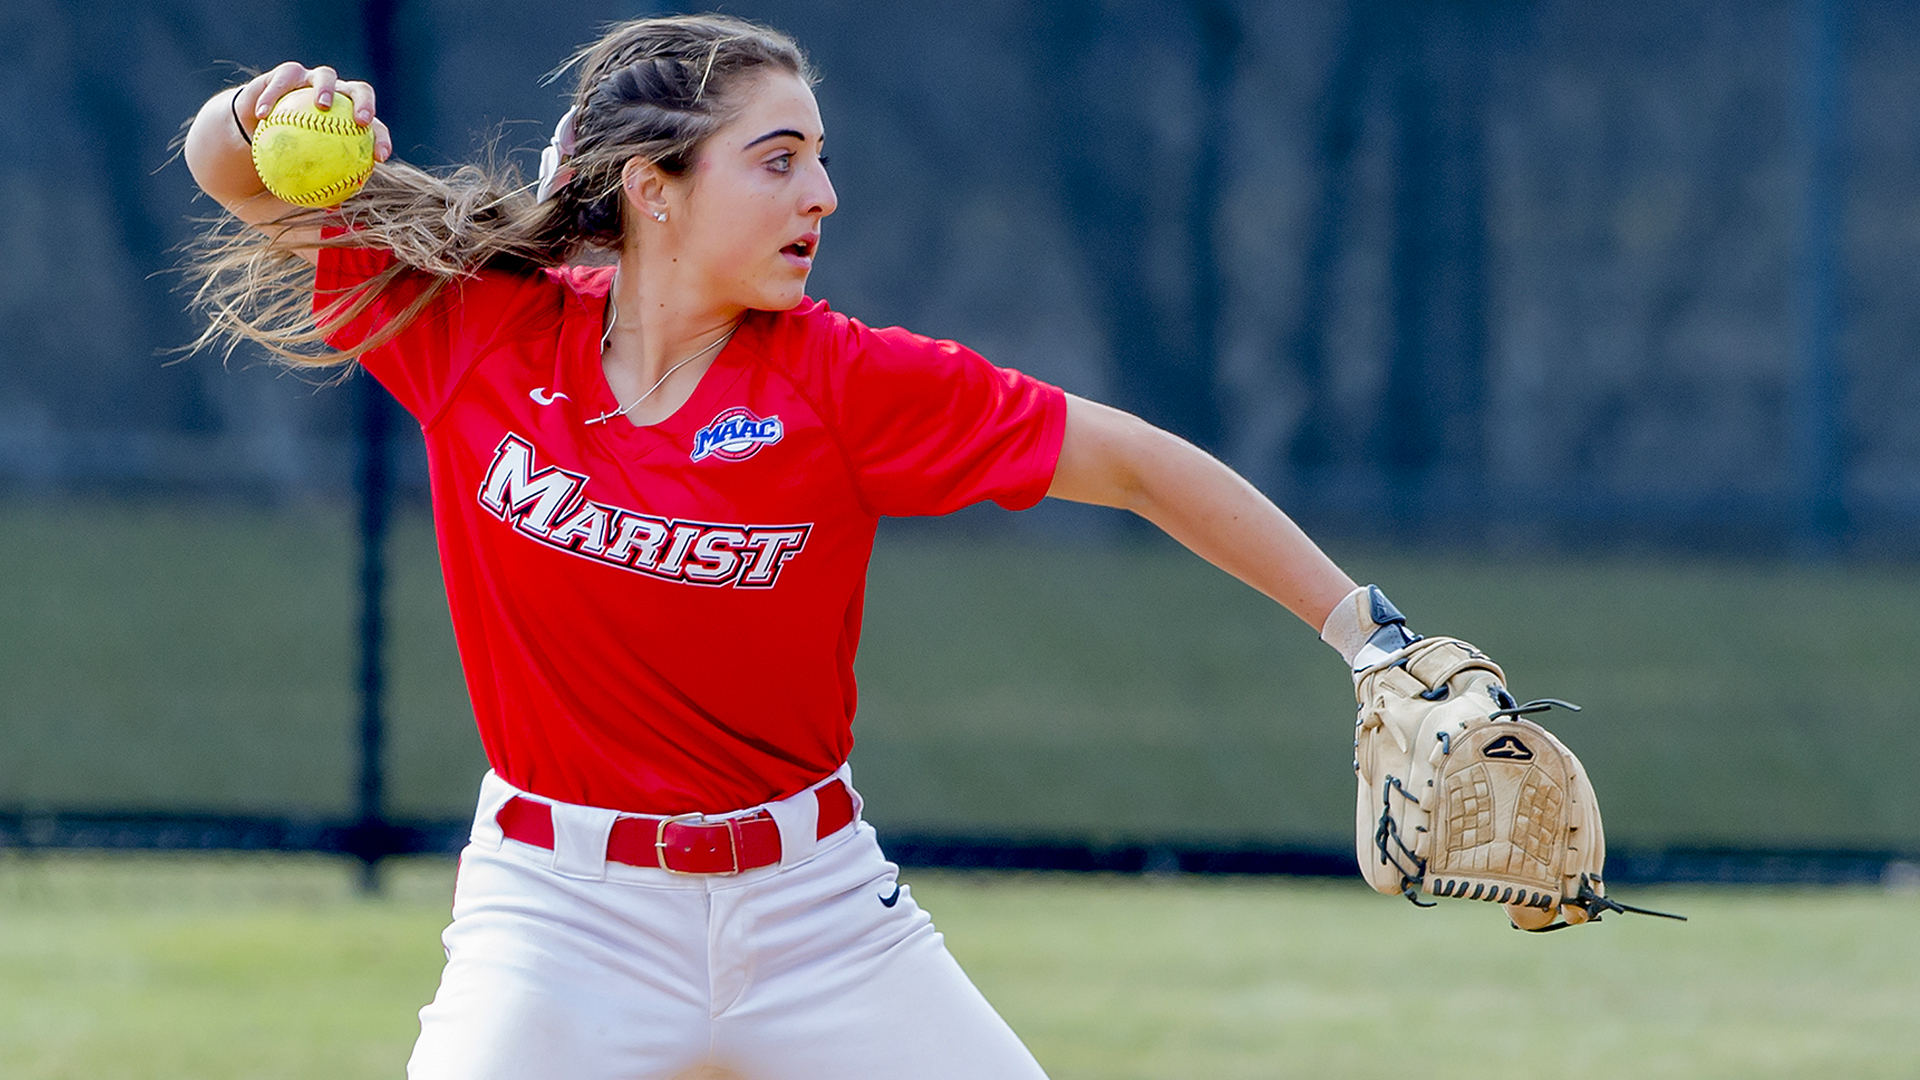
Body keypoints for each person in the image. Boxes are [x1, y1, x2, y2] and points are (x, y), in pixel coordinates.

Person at [181, 14, 1414, 1080]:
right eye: (777, 161)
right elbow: (228, 169)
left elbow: (1140, 464)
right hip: (560, 915)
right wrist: (262, 109)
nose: (820, 194)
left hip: (816, 911)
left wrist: (1369, 638)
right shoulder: (481, 336)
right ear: (654, 188)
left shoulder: (846, 381)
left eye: (820, 159)